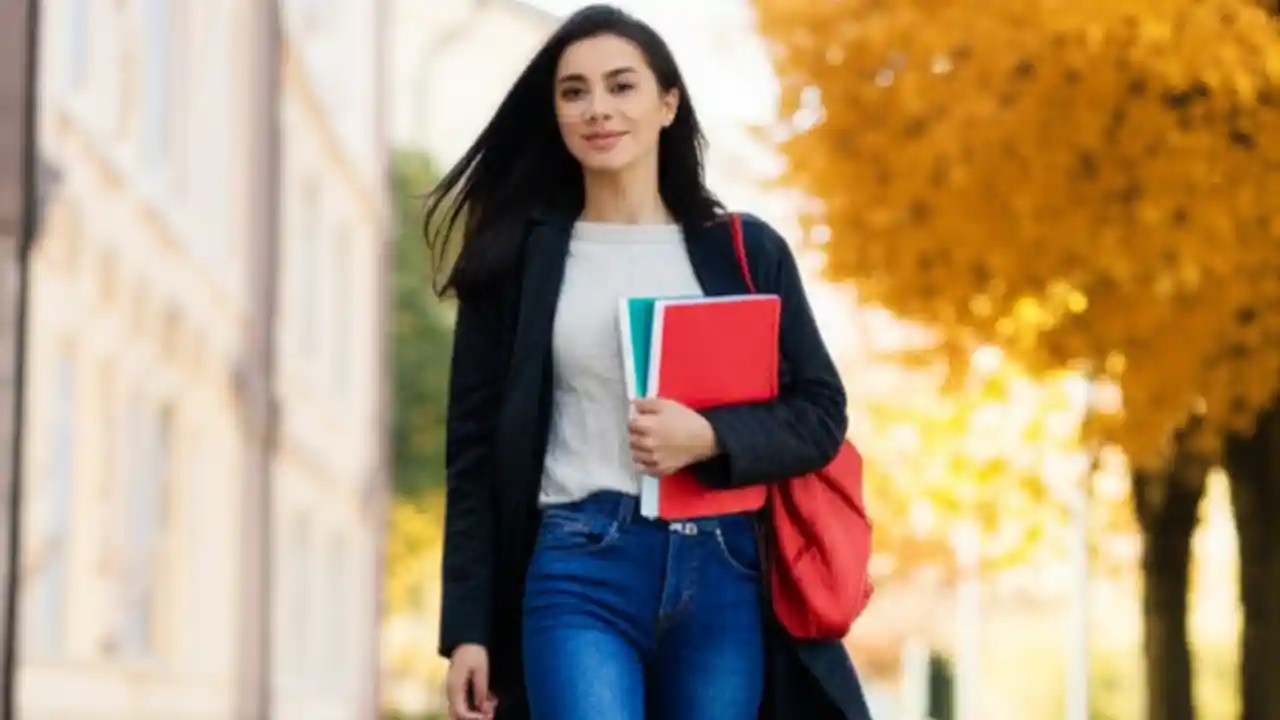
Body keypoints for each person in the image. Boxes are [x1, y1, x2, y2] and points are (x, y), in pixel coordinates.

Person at [424, 5, 872, 719]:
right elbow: (472, 454)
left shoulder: (744, 251)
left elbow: (820, 413)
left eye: (621, 86)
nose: (597, 108)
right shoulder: (518, 259)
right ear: (557, 114)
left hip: (725, 571)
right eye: (574, 92)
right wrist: (468, 631)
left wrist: (712, 438)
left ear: (668, 104)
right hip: (578, 565)